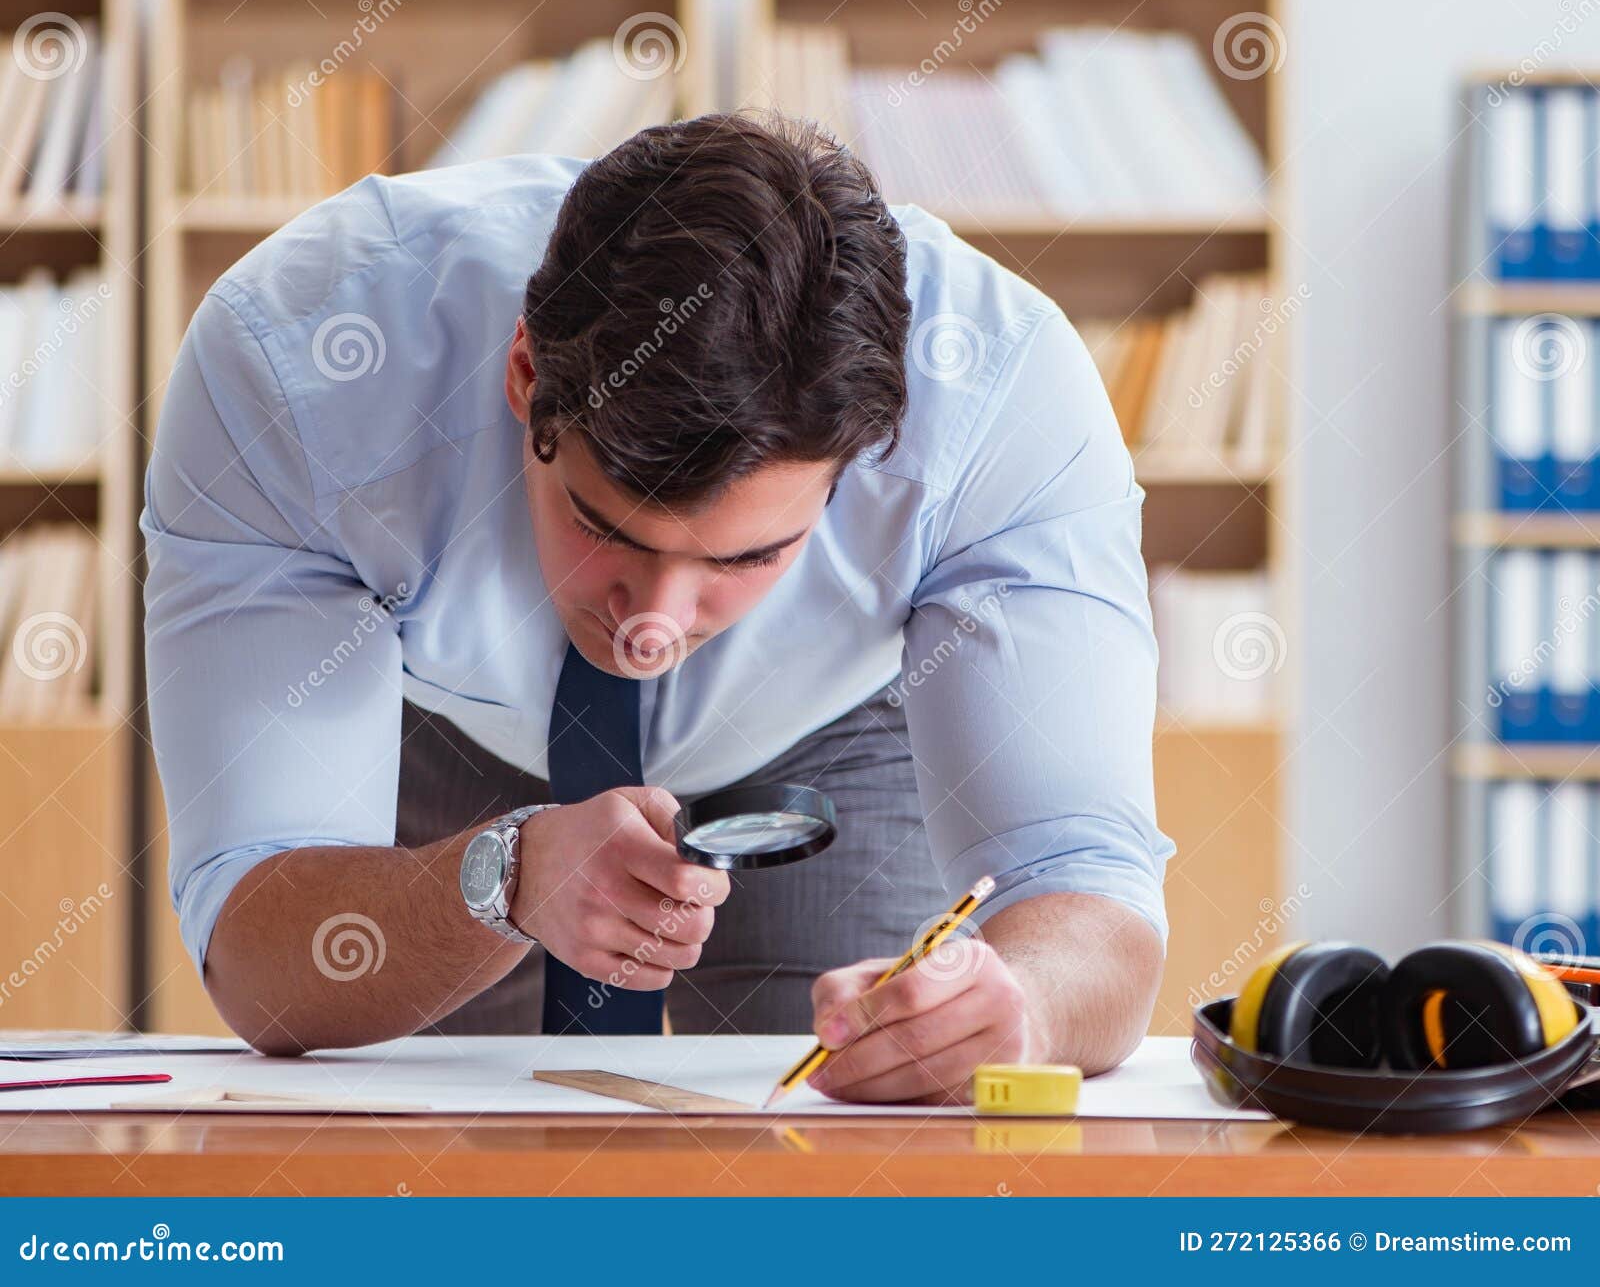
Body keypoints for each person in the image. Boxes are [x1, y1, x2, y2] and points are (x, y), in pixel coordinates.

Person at [142, 110, 1172, 1104]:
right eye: (606, 526)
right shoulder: (294, 366)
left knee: (852, 1126)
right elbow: (257, 954)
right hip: (445, 716)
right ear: (524, 373)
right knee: (445, 1150)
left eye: (751, 554)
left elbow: (1082, 876)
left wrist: (1023, 1005)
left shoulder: (1003, 403)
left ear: (863, 459)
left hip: (829, 726)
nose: (656, 623)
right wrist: (500, 877)